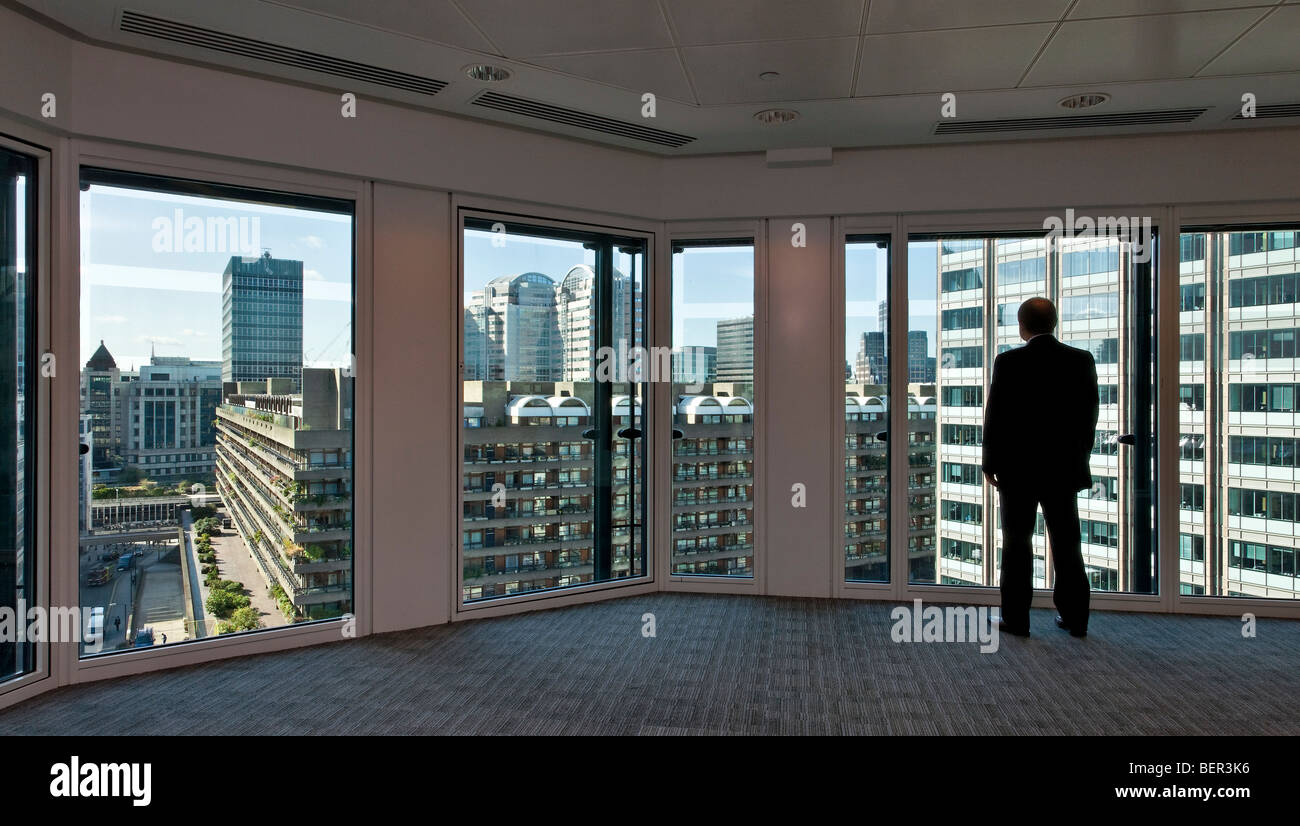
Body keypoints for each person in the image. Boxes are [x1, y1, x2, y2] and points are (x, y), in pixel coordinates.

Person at [982, 297, 1099, 638]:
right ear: (1055, 322)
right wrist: (1079, 459)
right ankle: (1076, 619)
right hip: (1062, 470)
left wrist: (991, 464)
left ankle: (1017, 621)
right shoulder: (1080, 360)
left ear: (1022, 327)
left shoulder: (1008, 362)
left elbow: (997, 417)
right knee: (1067, 545)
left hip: (1017, 471)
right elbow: (1089, 416)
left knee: (1017, 545)